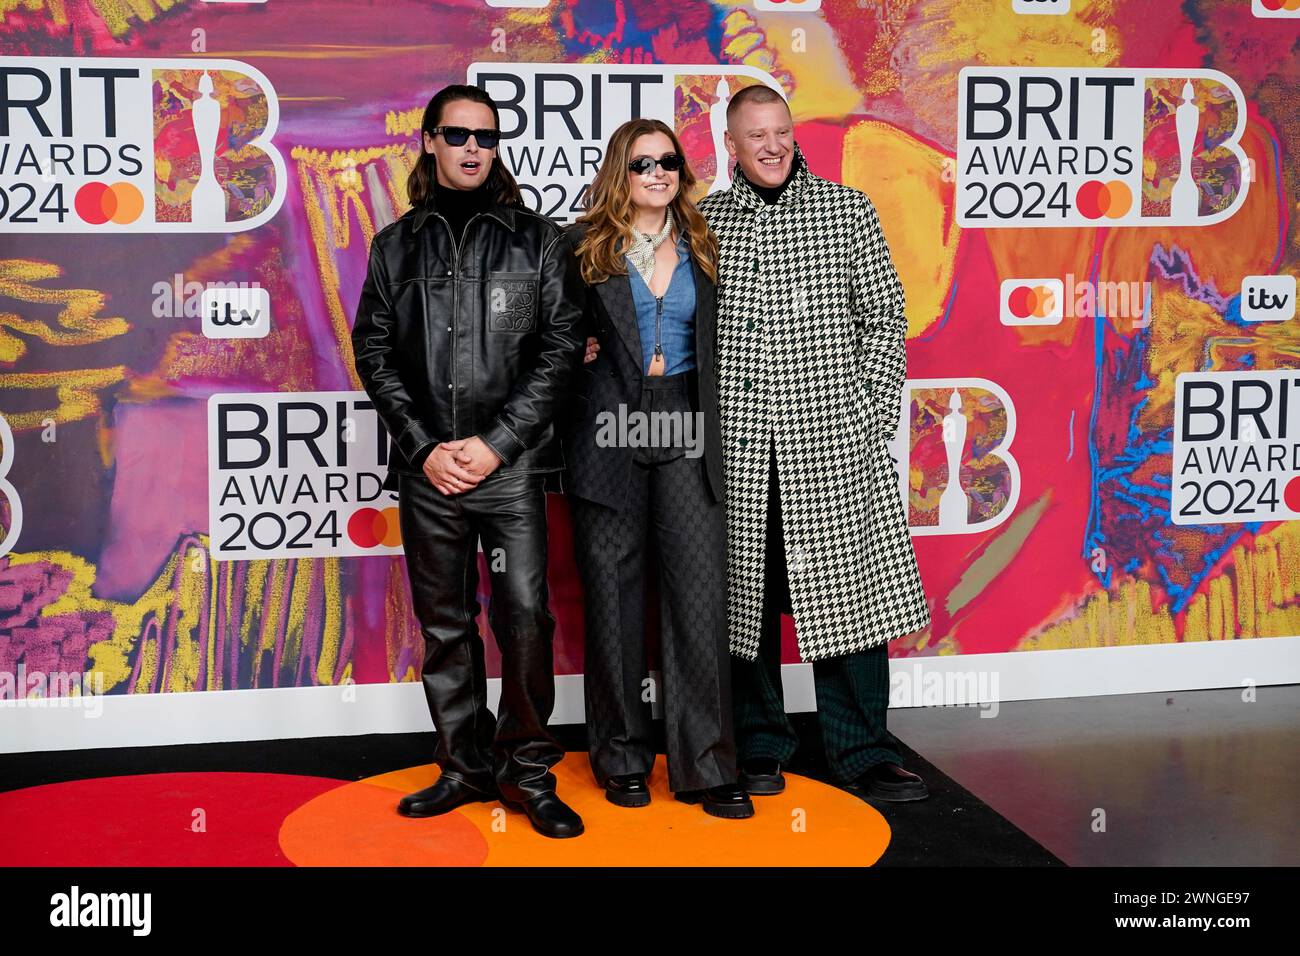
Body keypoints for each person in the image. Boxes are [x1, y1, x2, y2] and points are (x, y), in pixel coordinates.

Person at [351, 84, 586, 838]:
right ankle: (462, 766)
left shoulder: (537, 241)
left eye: (486, 136)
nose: (473, 148)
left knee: (524, 616)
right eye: (457, 135)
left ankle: (528, 771)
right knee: (445, 624)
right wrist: (425, 449)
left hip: (509, 467)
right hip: (429, 473)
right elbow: (374, 352)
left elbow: (557, 351)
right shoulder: (396, 245)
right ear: (429, 142)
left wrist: (496, 444)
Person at [695, 84, 933, 802]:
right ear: (731, 147)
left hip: (832, 444)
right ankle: (761, 744)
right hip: (739, 447)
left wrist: (870, 418)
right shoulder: (704, 224)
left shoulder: (846, 210)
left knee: (849, 600)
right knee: (749, 602)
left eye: (782, 132)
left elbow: (884, 318)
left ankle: (862, 750)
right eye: (756, 135)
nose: (772, 145)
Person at [564, 119, 752, 819]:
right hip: (606, 425)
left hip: (686, 421)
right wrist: (571, 349)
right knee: (612, 600)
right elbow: (537, 331)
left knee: (700, 599)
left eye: (669, 161)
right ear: (622, 170)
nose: (658, 173)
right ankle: (620, 756)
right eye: (643, 163)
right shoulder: (581, 247)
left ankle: (707, 763)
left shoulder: (706, 241)